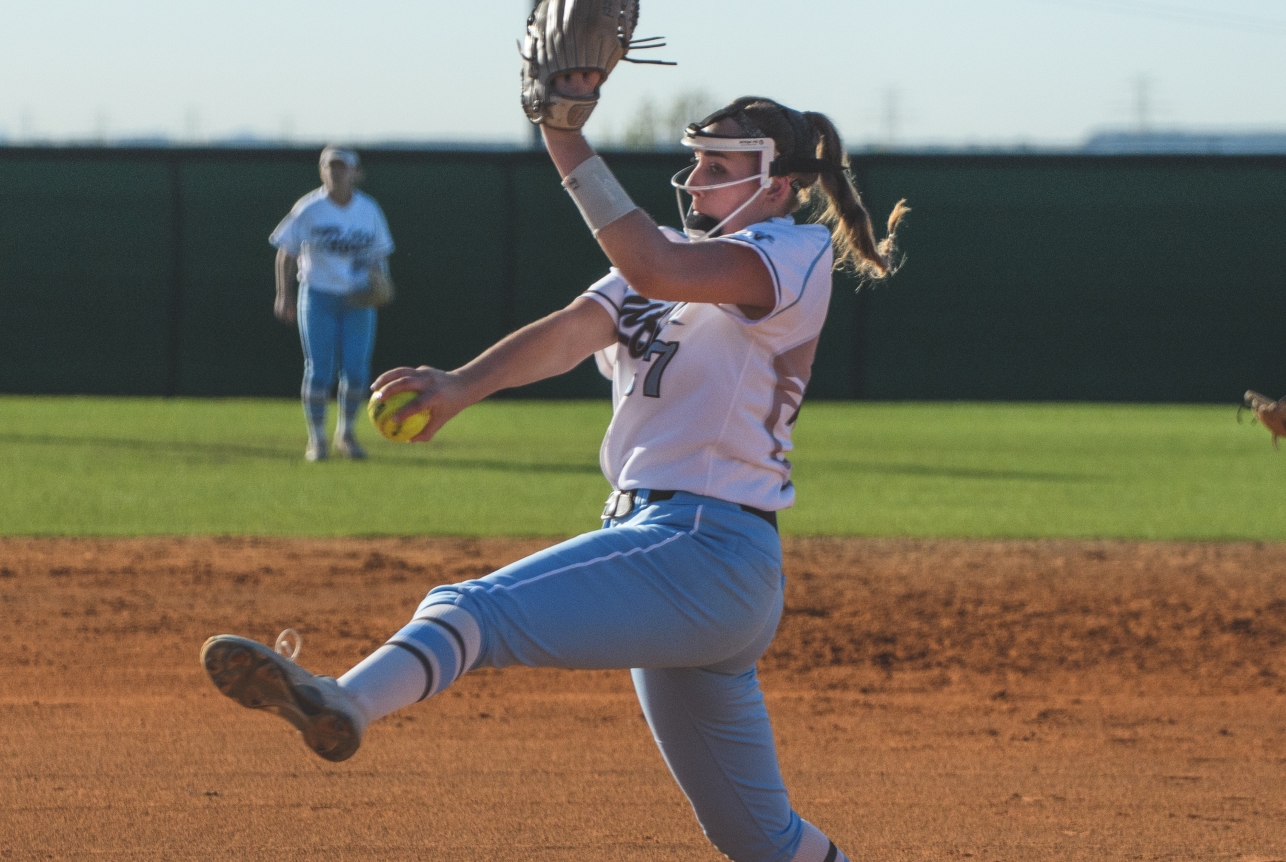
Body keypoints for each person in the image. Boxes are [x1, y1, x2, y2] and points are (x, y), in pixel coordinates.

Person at [202, 83, 906, 862]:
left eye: (719, 164)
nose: (698, 178)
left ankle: (345, 701)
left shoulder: (792, 254)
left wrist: (563, 137)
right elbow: (573, 332)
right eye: (697, 161)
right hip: (676, 554)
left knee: (472, 609)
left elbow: (654, 261)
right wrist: (463, 384)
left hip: (707, 541)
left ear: (777, 183)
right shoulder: (667, 260)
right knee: (761, 841)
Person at [268, 145, 395, 461]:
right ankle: (317, 440)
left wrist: (382, 285)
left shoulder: (368, 209)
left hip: (358, 297)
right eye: (330, 166)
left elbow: (379, 256)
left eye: (342, 166)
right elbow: (286, 251)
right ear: (321, 171)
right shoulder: (309, 208)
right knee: (319, 370)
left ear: (355, 172)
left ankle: (346, 434)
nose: (336, 172)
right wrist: (283, 294)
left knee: (356, 371)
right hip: (318, 294)